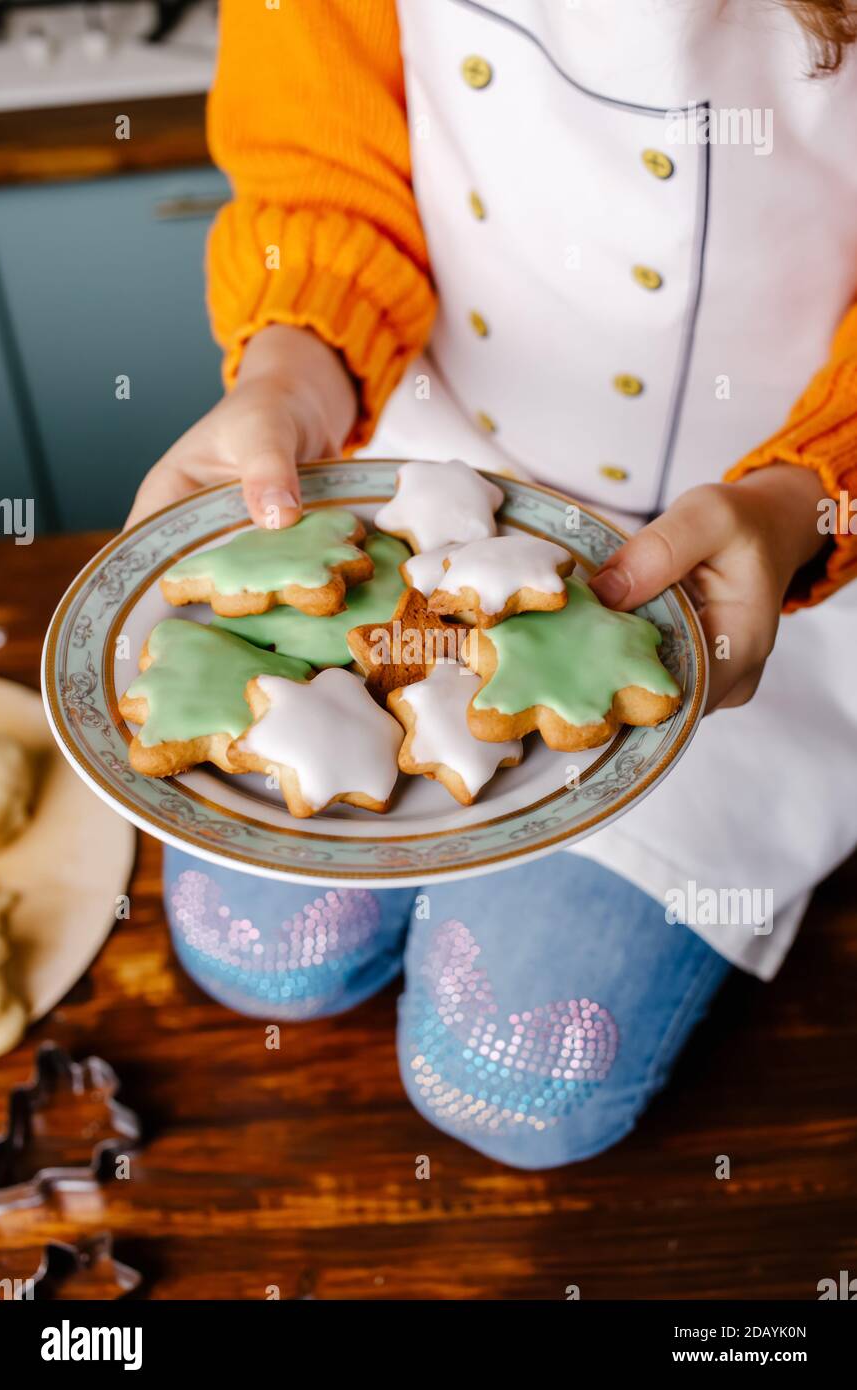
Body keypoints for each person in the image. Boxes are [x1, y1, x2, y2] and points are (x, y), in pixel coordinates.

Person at [129, 2, 857, 1169]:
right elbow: (319, 166)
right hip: (430, 487)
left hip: (764, 568)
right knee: (258, 948)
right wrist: (292, 369)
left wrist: (809, 500)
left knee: (510, 1075)